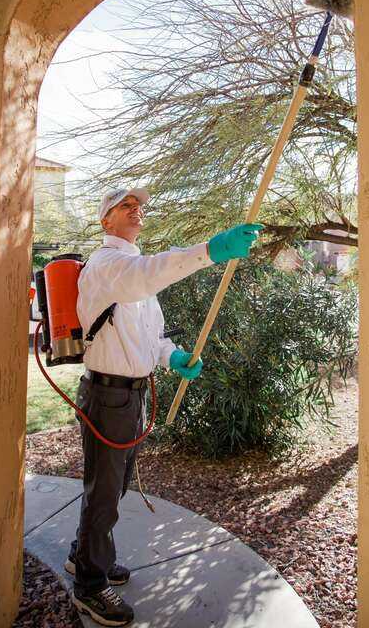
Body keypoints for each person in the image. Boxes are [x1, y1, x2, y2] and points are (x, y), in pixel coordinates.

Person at [66, 187, 262, 626]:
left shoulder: (132, 269)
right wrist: (211, 250)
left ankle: (84, 556)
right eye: (125, 205)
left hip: (131, 395)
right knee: (104, 493)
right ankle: (90, 586)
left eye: (138, 206)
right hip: (107, 396)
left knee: (113, 488)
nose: (136, 210)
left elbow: (152, 337)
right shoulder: (107, 265)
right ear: (105, 220)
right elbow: (148, 275)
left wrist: (172, 356)